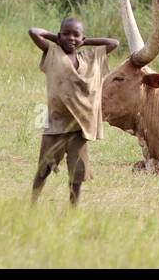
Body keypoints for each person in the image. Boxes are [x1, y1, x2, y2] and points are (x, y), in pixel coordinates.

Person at [28, 18, 118, 205]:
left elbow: (114, 43)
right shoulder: (53, 53)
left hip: (80, 127)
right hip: (57, 125)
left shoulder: (90, 58)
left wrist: (84, 41)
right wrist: (58, 39)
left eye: (76, 35)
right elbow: (34, 31)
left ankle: (73, 209)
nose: (71, 38)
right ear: (60, 36)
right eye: (66, 34)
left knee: (77, 175)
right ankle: (32, 204)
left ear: (82, 38)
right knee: (43, 169)